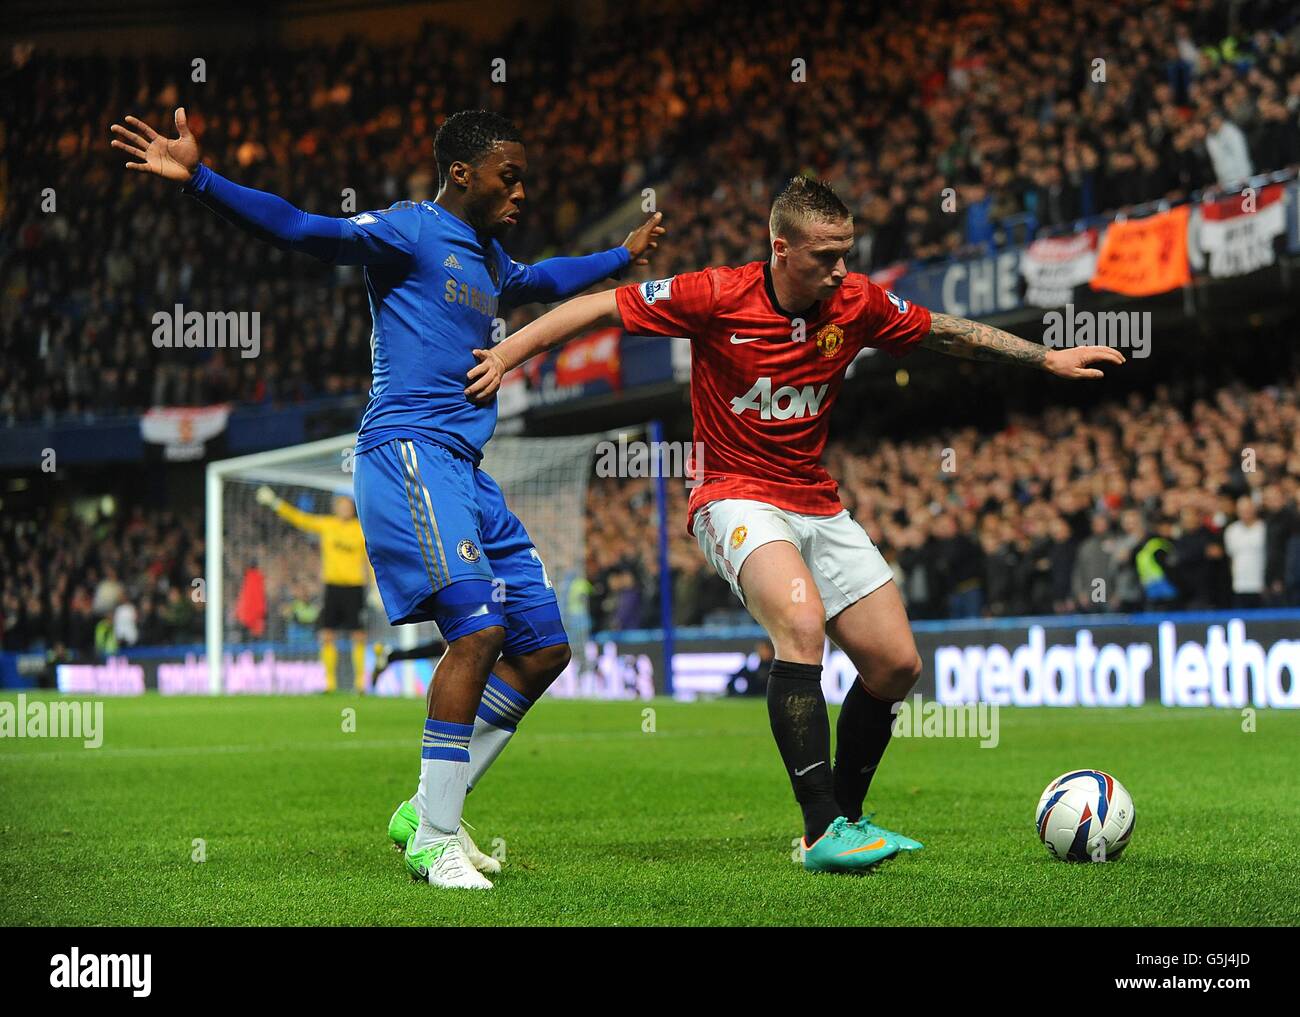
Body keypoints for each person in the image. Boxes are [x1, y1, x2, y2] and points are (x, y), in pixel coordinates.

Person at [467, 176, 1124, 874]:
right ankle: (819, 833)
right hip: (733, 495)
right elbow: (600, 306)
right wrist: (507, 356)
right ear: (781, 249)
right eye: (824, 256)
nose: (840, 268)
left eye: (847, 251)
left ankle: (844, 814)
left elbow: (943, 331)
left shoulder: (857, 302)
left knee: (895, 662)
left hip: (816, 498)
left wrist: (1044, 356)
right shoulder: (718, 294)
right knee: (802, 627)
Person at [112, 106, 664, 890]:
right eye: (511, 178)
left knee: (543, 644)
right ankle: (438, 834)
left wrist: (620, 254)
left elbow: (540, 280)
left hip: (467, 468)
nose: (522, 193)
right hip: (409, 450)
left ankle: (425, 807)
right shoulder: (408, 229)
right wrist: (200, 179)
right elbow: (305, 229)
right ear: (463, 173)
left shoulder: (489, 256)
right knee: (476, 630)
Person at [254, 490, 368, 692]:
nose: (344, 509)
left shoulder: (360, 530)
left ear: (352, 508)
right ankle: (330, 684)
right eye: (341, 505)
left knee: (358, 635)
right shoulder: (327, 525)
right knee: (326, 634)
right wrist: (275, 502)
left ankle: (360, 684)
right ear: (335, 508)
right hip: (332, 587)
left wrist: (376, 587)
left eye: (348, 505)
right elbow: (300, 519)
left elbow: (370, 560)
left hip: (354, 587)